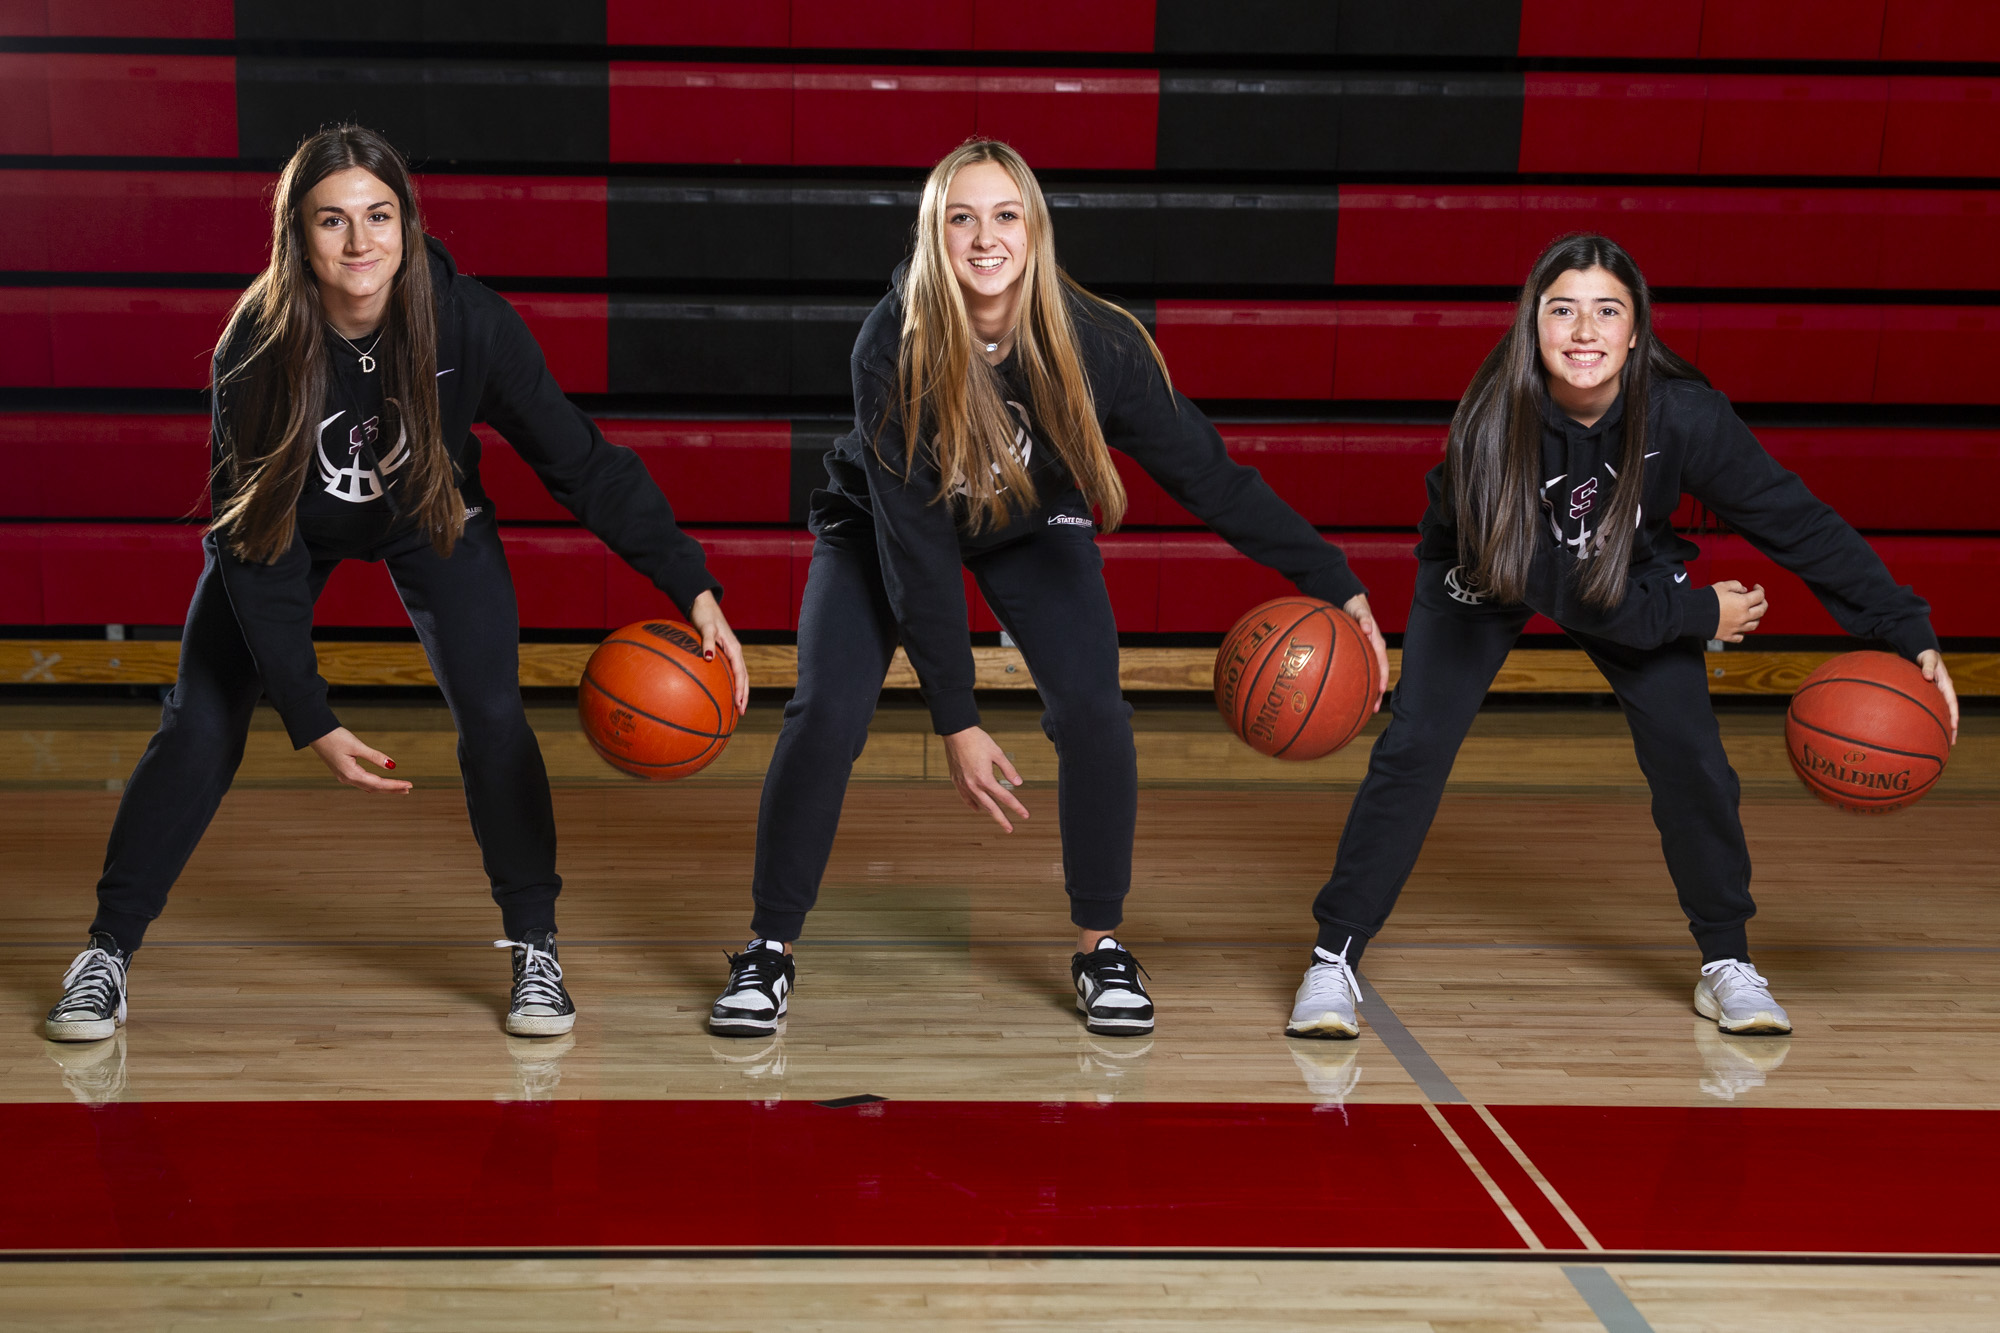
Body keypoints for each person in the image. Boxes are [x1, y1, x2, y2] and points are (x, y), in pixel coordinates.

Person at [42, 125, 747, 1044]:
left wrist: (693, 586)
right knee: (200, 721)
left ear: (408, 224)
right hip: (283, 531)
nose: (359, 241)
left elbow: (582, 463)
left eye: (378, 215)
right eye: (331, 220)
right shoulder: (257, 348)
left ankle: (536, 946)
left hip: (429, 512)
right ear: (298, 237)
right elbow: (256, 551)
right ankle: (106, 951)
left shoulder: (468, 322)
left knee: (494, 715)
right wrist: (313, 716)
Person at [708, 139, 1389, 1040]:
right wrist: (957, 718)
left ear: (1034, 229)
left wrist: (1335, 583)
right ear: (934, 234)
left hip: (1027, 519)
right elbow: (917, 550)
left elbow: (1212, 480)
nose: (984, 237)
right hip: (880, 524)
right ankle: (769, 947)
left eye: (1004, 215)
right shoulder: (894, 344)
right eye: (961, 218)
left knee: (1095, 709)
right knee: (826, 710)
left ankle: (1100, 945)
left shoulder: (1096, 344)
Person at [1285, 233, 1959, 1041]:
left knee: (1692, 755)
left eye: (1607, 311)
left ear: (1636, 331)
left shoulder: (1683, 415)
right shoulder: (1490, 428)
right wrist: (1697, 615)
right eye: (1562, 310)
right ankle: (1332, 958)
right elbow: (1563, 593)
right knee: (1416, 745)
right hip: (1491, 565)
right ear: (1531, 326)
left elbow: (1798, 522)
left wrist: (1903, 627)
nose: (1584, 331)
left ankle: (1727, 960)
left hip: (1629, 563)